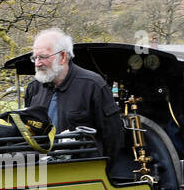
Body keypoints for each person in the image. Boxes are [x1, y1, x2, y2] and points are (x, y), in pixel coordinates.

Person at [23, 28, 123, 160]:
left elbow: (113, 137)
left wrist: (101, 170)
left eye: (43, 57)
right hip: (42, 171)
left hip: (83, 172)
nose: (37, 63)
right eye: (35, 57)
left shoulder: (93, 86)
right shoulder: (34, 88)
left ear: (63, 56)